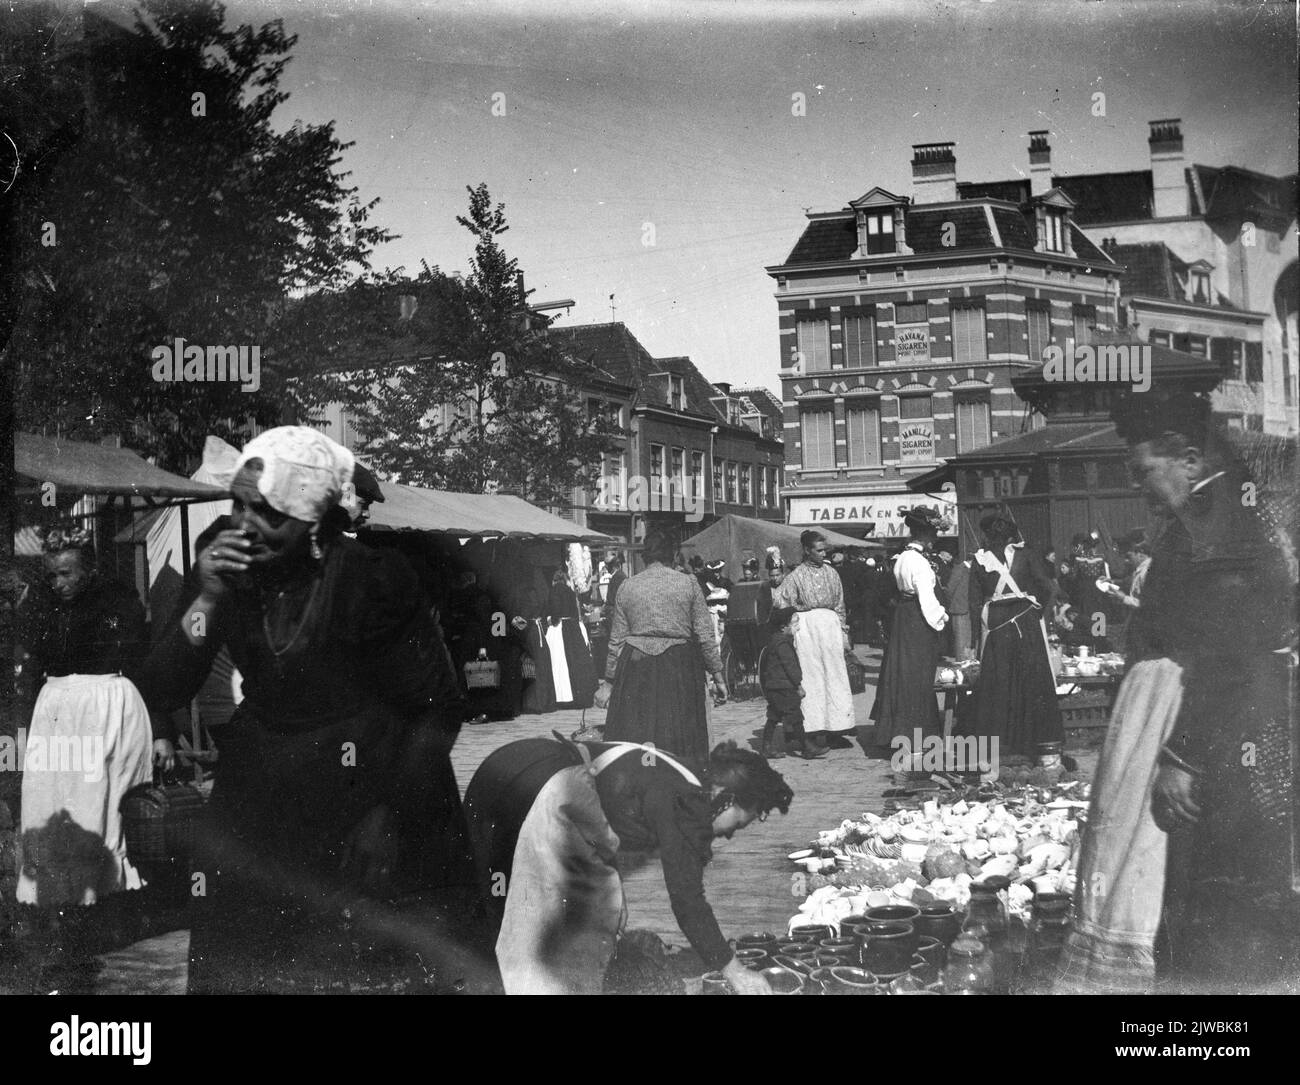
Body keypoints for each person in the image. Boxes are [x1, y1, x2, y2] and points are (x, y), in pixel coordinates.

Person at [138, 427, 484, 993]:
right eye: (238, 506)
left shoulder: (375, 578)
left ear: (314, 521)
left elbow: (437, 707)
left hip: (371, 781)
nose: (245, 525)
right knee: (244, 955)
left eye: (268, 514)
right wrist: (205, 597)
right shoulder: (226, 559)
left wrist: (387, 816)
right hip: (266, 785)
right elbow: (164, 687)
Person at [1058, 394, 1297, 993]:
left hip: (1208, 721)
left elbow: (1235, 657)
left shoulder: (1221, 527)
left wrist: (1183, 755)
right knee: (1187, 885)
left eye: (1144, 473)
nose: (1138, 487)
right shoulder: (1201, 517)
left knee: (1211, 892)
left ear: (1189, 459)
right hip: (1181, 712)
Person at [464, 737, 793, 994]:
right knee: (574, 927)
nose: (731, 835)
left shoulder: (684, 772)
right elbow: (688, 899)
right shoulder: (688, 801)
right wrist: (735, 971)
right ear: (728, 797)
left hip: (511, 768)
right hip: (549, 787)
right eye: (738, 824)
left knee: (502, 902)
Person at [14, 525, 174, 906]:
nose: (57, 582)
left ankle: (106, 896)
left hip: (109, 711)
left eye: (66, 573)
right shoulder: (38, 602)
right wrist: (21, 731)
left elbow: (144, 664)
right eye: (51, 573)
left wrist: (163, 730)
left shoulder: (119, 598)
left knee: (101, 805)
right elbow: (29, 668)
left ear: (89, 568)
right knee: (50, 803)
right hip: (55, 715)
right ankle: (55, 897)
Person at [596, 531, 727, 766]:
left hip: (636, 666)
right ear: (674, 555)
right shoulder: (688, 583)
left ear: (645, 557)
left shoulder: (627, 586)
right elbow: (705, 635)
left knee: (639, 727)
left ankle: (640, 778)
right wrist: (718, 676)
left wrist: (608, 682)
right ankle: (677, 777)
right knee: (676, 728)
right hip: (677, 666)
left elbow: (616, 640)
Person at [961, 512, 1063, 763]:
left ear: (986, 535)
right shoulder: (1027, 555)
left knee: (998, 685)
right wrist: (1039, 612)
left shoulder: (979, 560)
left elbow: (974, 603)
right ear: (1010, 535)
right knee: (1033, 682)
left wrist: (975, 641)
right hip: (1026, 621)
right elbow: (1048, 587)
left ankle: (998, 752)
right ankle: (1042, 749)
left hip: (996, 625)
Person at [870, 508, 950, 758]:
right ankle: (918, 736)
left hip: (903, 617)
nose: (934, 539)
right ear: (926, 537)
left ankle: (895, 732)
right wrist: (942, 618)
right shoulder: (920, 563)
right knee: (918, 677)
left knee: (901, 674)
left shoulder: (902, 558)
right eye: (933, 535)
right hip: (917, 620)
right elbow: (927, 599)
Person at [771, 530, 855, 752]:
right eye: (818, 550)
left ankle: (836, 729)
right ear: (807, 551)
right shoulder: (796, 576)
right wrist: (794, 621)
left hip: (830, 627)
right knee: (812, 678)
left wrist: (843, 631)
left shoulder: (832, 573)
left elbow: (840, 603)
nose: (822, 553)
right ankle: (812, 729)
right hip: (807, 629)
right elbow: (780, 600)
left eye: (824, 550)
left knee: (834, 677)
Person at [759, 606, 818, 760]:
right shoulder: (783, 644)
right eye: (793, 623)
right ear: (784, 627)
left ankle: (766, 747)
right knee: (796, 716)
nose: (796, 627)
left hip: (774, 686)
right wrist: (798, 685)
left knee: (774, 716)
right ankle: (807, 747)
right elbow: (790, 666)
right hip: (784, 687)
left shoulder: (775, 641)